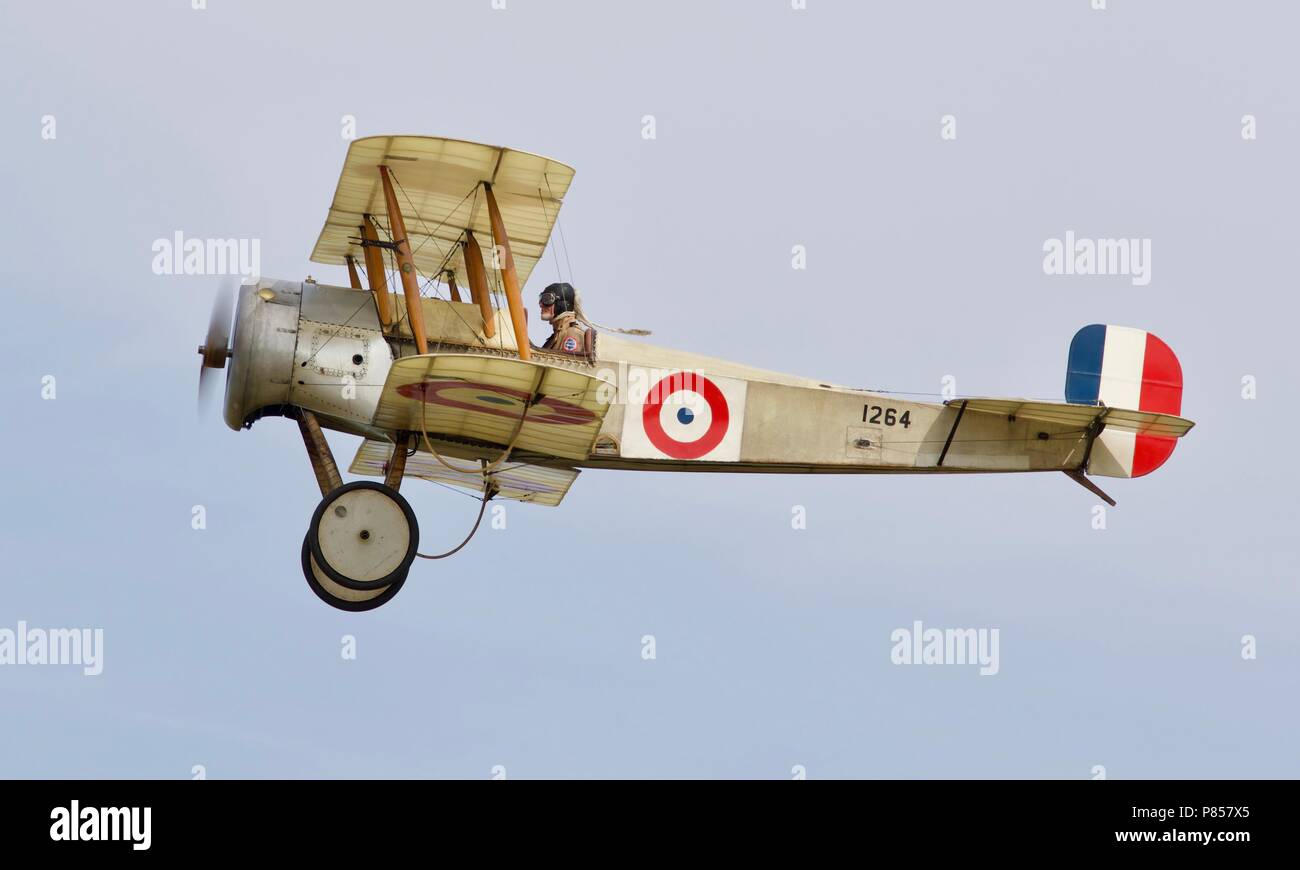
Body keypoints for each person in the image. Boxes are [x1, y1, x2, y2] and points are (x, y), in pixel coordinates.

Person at [538, 282, 590, 354]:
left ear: (561, 304)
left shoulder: (572, 334)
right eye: (541, 298)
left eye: (546, 299)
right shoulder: (554, 338)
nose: (541, 304)